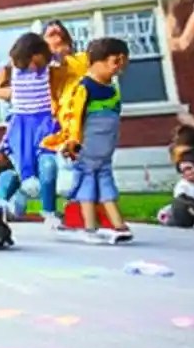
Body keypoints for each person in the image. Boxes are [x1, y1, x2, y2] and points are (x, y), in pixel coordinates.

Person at [47, 37, 136, 244]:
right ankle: (89, 226)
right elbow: (73, 117)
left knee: (105, 181)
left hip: (104, 149)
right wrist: (71, 142)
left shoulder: (112, 89)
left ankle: (118, 224)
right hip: (85, 148)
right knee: (87, 181)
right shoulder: (83, 88)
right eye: (116, 63)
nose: (117, 70)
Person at [0, 32, 61, 224]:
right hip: (21, 119)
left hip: (45, 119)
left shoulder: (50, 67)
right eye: (31, 63)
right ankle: (16, 191)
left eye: (39, 63)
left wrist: (54, 41)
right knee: (23, 155)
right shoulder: (12, 68)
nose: (34, 68)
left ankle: (49, 211)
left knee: (47, 163)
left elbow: (64, 57)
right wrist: (9, 93)